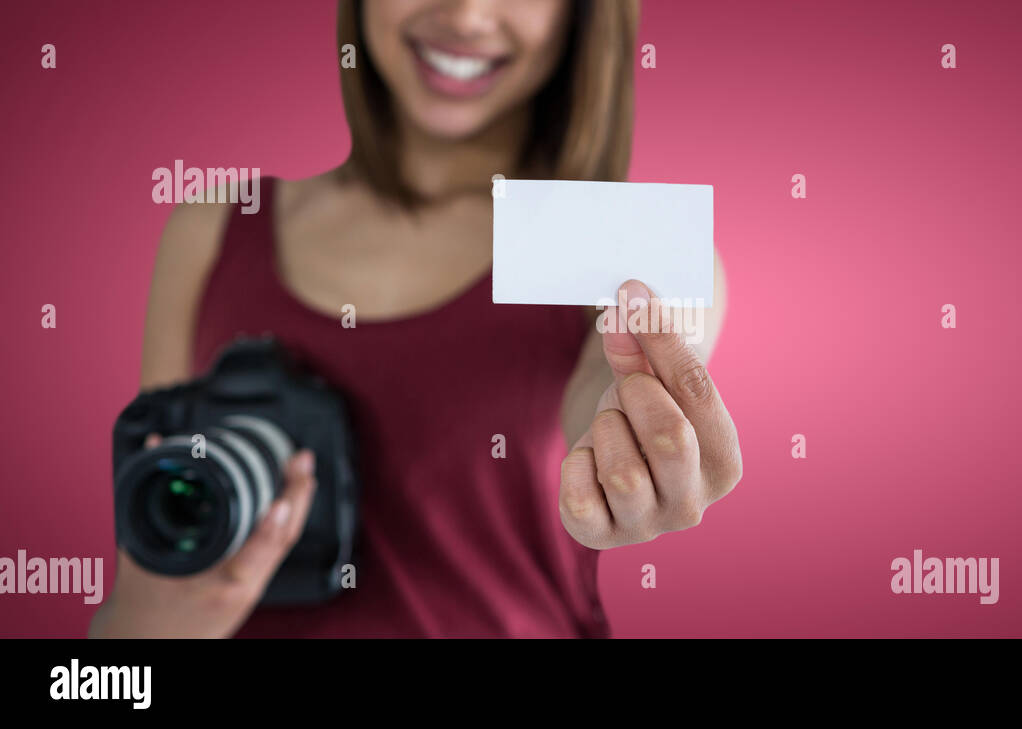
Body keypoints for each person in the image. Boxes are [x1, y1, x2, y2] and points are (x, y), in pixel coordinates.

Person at [89, 0, 741, 638]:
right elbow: (135, 609)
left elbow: (608, 391)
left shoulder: (629, 243)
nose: (464, 13)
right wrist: (147, 631)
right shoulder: (212, 229)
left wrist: (628, 439)